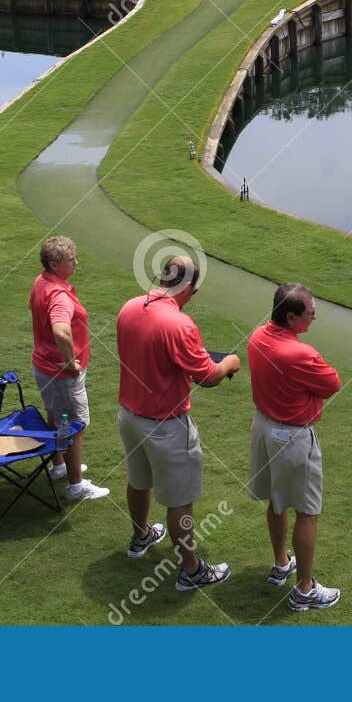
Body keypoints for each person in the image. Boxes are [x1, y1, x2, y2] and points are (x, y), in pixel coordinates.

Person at [115, 255, 240, 589]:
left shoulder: (129, 307)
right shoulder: (179, 324)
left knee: (138, 481)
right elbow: (208, 377)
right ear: (187, 286)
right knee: (180, 500)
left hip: (129, 416)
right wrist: (229, 363)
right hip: (166, 426)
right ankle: (191, 570)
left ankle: (141, 536)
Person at [247, 283, 341, 612]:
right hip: (292, 438)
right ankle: (304, 589)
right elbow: (332, 384)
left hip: (263, 427)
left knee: (277, 500)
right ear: (290, 317)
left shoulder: (257, 336)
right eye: (310, 313)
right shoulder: (301, 354)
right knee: (307, 511)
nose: (314, 318)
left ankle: (281, 563)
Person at [28, 235, 109, 502]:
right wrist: (69, 360)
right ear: (54, 264)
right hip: (61, 373)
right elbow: (61, 331)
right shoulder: (59, 295)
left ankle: (59, 465)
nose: (76, 263)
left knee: (58, 415)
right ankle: (77, 486)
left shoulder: (41, 281)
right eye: (70, 259)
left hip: (44, 367)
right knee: (75, 425)